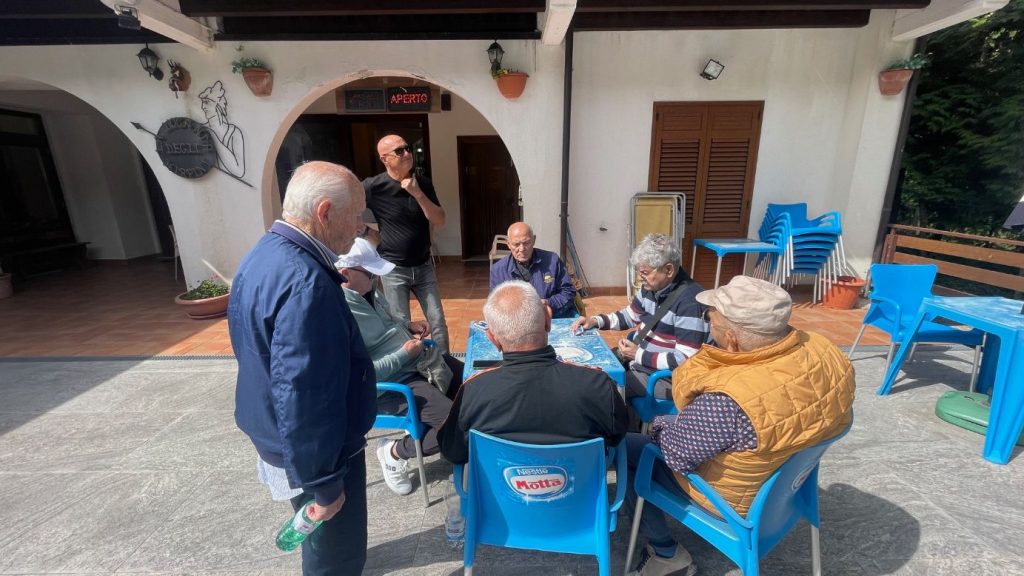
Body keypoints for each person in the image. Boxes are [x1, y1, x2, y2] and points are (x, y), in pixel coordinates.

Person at [623, 276, 855, 576]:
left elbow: (676, 455)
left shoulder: (729, 399)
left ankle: (666, 554)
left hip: (734, 499)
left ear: (731, 339)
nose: (708, 324)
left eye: (711, 321)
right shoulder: (827, 353)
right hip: (788, 487)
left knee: (627, 449)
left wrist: (660, 424)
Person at [229, 161, 375, 576]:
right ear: (325, 212)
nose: (361, 226)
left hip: (283, 436)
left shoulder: (265, 253)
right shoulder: (306, 282)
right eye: (357, 214)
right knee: (335, 554)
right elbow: (307, 394)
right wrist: (324, 483)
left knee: (323, 540)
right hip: (315, 451)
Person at [438, 280, 630, 465]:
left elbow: (454, 452)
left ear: (493, 339)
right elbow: (616, 435)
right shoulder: (597, 384)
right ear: (548, 319)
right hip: (581, 495)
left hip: (500, 497)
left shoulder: (473, 391)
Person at [336, 236, 463, 497]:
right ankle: (395, 452)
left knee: (473, 387)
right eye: (371, 274)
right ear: (345, 273)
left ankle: (458, 441)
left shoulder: (368, 290)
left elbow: (388, 322)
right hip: (394, 384)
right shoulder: (339, 313)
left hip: (418, 363)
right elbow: (362, 375)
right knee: (457, 425)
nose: (376, 280)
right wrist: (404, 355)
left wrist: (408, 326)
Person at [571, 233, 709, 400]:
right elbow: (630, 316)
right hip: (640, 363)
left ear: (669, 269)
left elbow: (686, 359)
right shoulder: (652, 287)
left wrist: (637, 355)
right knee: (589, 373)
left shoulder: (690, 302)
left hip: (666, 379)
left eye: (644, 273)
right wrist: (596, 321)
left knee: (603, 390)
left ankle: (620, 424)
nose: (639, 278)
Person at [362, 134, 450, 354]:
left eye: (407, 148)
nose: (407, 154)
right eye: (399, 151)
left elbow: (439, 220)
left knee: (437, 321)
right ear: (384, 159)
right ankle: (411, 370)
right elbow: (345, 205)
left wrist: (417, 193)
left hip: (423, 265)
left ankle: (446, 368)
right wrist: (364, 230)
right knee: (400, 325)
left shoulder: (423, 183)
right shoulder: (373, 187)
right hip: (393, 269)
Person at [489, 221, 578, 318]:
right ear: (508, 244)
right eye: (516, 244)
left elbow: (568, 292)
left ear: (534, 240)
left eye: (526, 242)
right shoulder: (498, 270)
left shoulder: (552, 261)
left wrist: (548, 303)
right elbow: (496, 303)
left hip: (552, 317)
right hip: (517, 322)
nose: (522, 249)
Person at [198, 81, 244, 178]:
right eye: (202, 103)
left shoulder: (234, 132)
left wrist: (212, 135)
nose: (203, 107)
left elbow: (238, 171)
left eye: (207, 102)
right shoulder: (199, 130)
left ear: (218, 104)